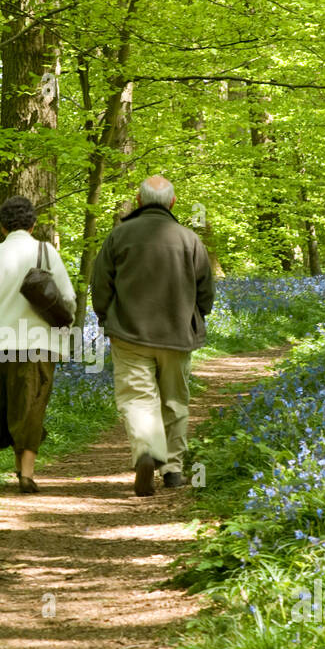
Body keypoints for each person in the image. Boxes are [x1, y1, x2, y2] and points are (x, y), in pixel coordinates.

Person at [91, 176, 215, 496]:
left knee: (137, 399)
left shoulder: (118, 236)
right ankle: (173, 470)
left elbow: (101, 284)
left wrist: (106, 317)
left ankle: (146, 452)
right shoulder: (189, 239)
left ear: (139, 200)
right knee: (175, 401)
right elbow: (206, 292)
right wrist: (195, 315)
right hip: (177, 336)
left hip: (129, 334)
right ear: (172, 202)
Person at [0, 196, 76, 494]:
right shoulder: (47, 252)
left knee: (11, 404)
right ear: (33, 224)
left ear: (2, 227)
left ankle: (20, 469)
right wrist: (66, 333)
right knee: (33, 405)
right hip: (40, 342)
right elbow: (66, 298)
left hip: (0, 343)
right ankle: (26, 473)